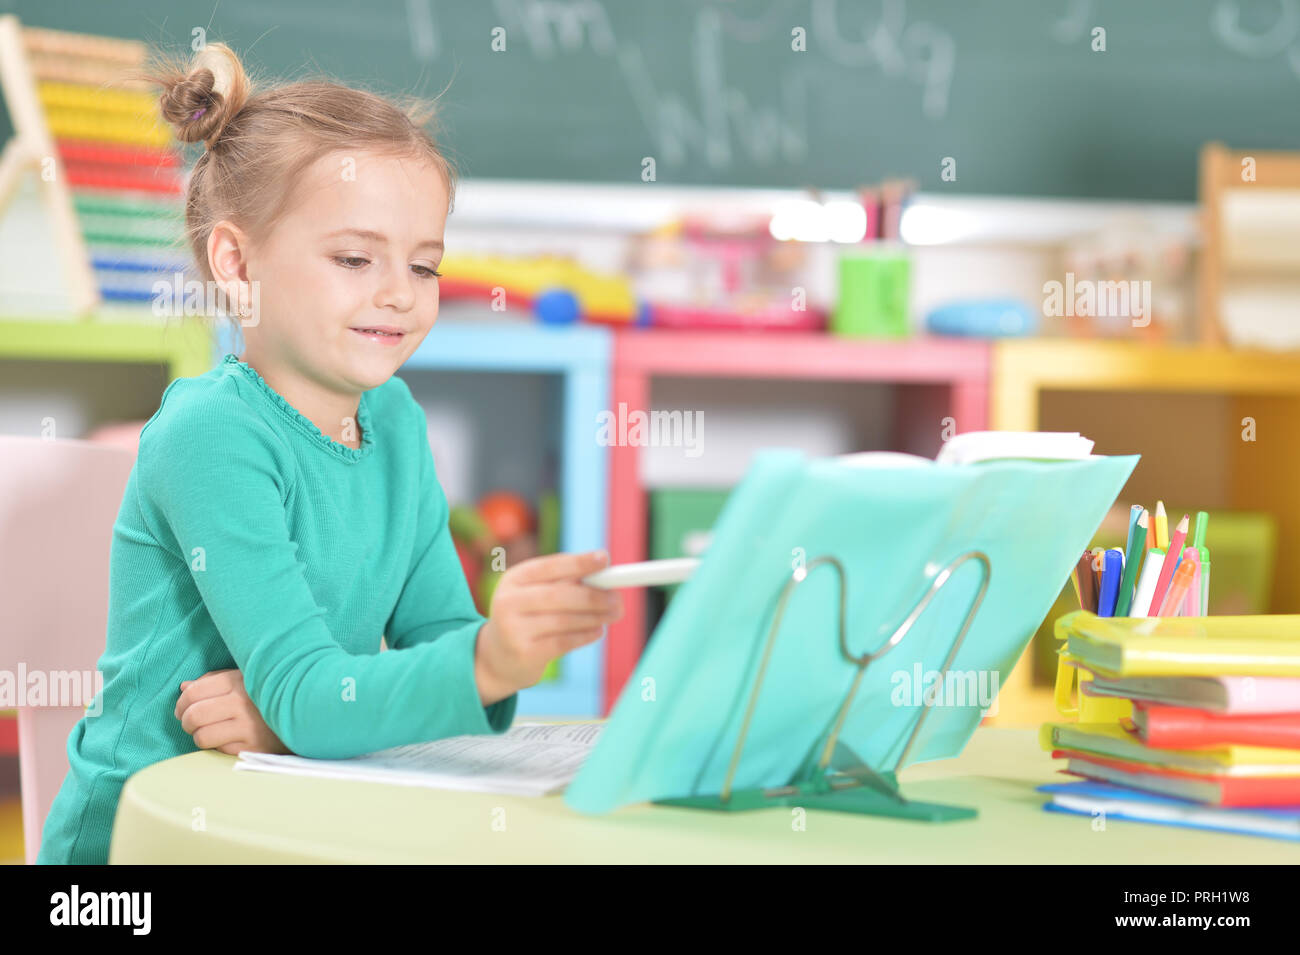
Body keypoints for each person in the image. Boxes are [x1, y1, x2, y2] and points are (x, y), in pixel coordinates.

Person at [37, 42, 621, 864]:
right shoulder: (212, 435)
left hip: (290, 816)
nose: (398, 292)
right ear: (237, 265)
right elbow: (323, 688)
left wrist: (293, 717)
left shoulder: (397, 422)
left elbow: (429, 649)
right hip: (135, 853)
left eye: (423, 266)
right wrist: (465, 665)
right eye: (355, 258)